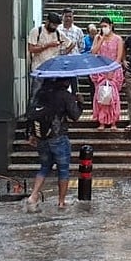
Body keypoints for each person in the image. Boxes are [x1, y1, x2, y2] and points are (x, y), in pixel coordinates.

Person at [25, 78, 82, 211]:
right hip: (59, 137)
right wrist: (79, 103)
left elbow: (31, 114)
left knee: (44, 166)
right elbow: (75, 116)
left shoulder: (40, 93)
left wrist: (30, 134)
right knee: (63, 170)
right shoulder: (64, 95)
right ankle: (61, 202)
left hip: (41, 137)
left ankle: (33, 196)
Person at [90, 17, 125, 131]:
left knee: (112, 97)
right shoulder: (98, 37)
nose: (104, 28)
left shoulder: (118, 39)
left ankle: (113, 121)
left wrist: (112, 70)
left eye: (106, 26)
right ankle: (101, 121)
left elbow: (119, 57)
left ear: (111, 25)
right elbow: (93, 52)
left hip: (113, 71)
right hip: (100, 70)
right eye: (102, 26)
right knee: (101, 96)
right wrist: (101, 39)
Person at [28, 13, 74, 96]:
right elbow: (31, 49)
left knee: (52, 95)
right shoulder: (36, 31)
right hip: (39, 69)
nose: (54, 27)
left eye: (56, 25)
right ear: (47, 22)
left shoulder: (58, 33)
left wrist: (63, 53)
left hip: (53, 70)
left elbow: (71, 43)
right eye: (53, 25)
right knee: (36, 94)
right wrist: (48, 45)